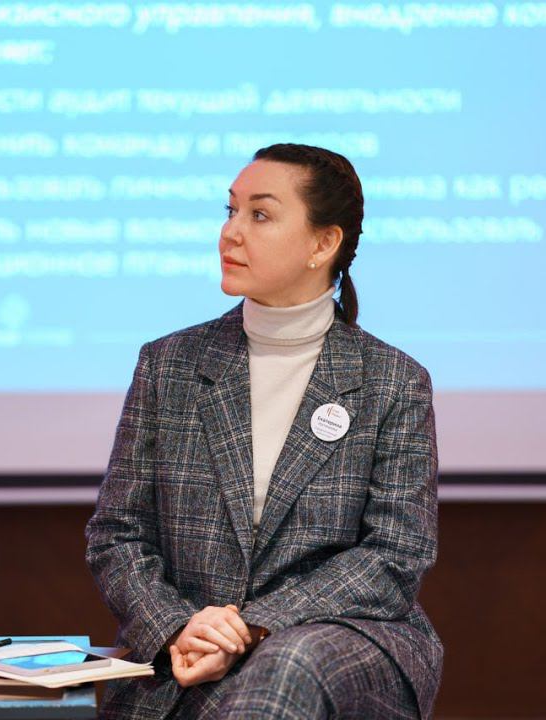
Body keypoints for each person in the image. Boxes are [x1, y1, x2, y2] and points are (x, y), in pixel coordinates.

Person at [85, 143, 443, 719]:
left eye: (259, 215)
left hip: (344, 638)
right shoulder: (170, 364)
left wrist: (254, 628)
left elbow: (395, 554)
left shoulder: (393, 381)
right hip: (191, 643)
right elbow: (116, 534)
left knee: (287, 664)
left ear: (323, 244)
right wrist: (178, 627)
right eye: (230, 211)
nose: (230, 232)